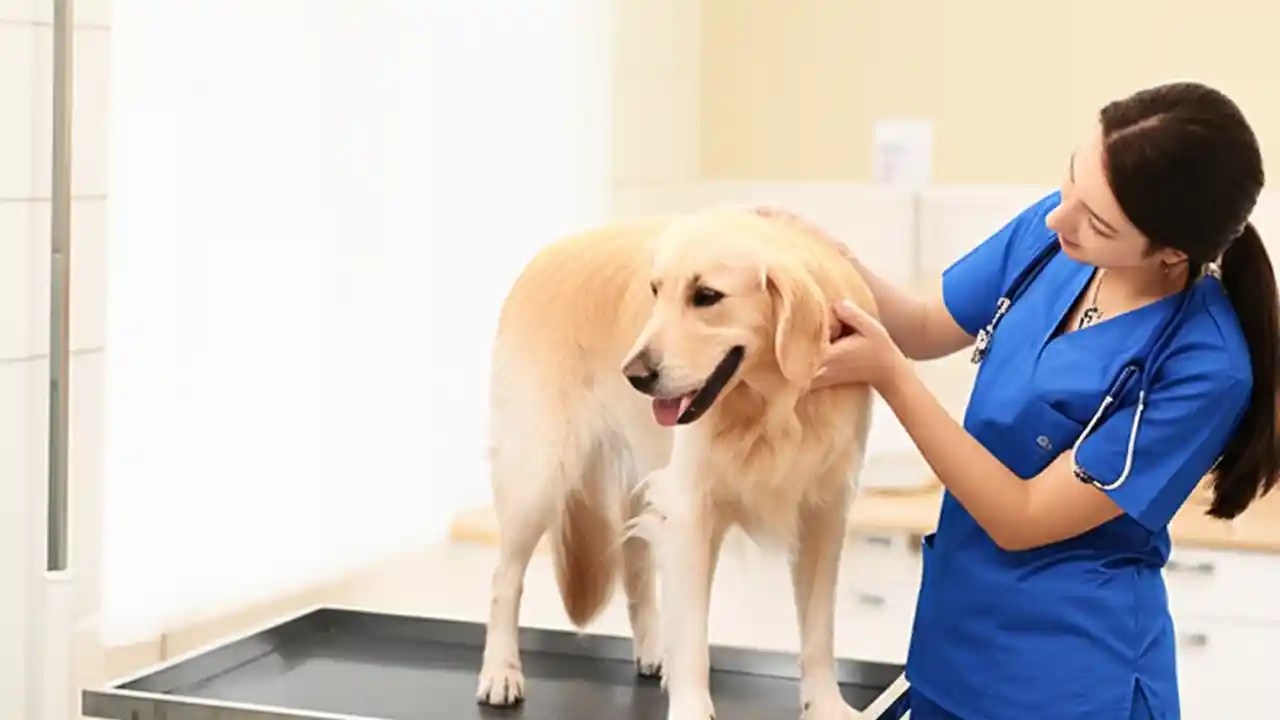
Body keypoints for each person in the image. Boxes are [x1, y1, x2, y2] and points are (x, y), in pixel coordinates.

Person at [766, 81, 1280, 719]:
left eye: (1096, 221)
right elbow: (925, 326)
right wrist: (828, 261)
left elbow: (1022, 516)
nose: (1061, 217)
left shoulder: (1203, 365)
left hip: (1069, 678)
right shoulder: (1054, 240)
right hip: (953, 648)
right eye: (1071, 180)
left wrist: (891, 379)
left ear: (1174, 251)